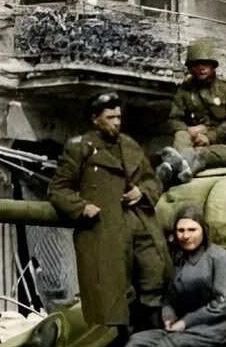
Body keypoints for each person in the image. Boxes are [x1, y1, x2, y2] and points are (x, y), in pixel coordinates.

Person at [60, 204, 226, 347]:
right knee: (141, 339)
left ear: (203, 231)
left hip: (217, 329)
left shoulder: (221, 259)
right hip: (185, 326)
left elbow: (224, 304)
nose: (185, 236)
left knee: (169, 346)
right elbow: (170, 298)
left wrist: (186, 322)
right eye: (181, 230)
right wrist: (169, 316)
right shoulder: (180, 260)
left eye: (192, 230)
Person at [48, 91, 171, 330]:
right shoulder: (80, 147)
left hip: (141, 223)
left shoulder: (130, 145)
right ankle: (121, 343)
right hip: (105, 226)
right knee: (114, 291)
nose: (116, 122)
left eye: (118, 117)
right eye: (110, 117)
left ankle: (154, 336)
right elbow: (58, 189)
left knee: (154, 277)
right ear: (95, 119)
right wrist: (82, 206)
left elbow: (153, 181)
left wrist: (141, 192)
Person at [158, 38, 226, 185]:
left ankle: (173, 167)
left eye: (206, 64)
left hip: (223, 145)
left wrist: (210, 136)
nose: (201, 68)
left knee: (203, 154)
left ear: (213, 67)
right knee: (181, 135)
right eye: (196, 64)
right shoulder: (185, 91)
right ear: (191, 68)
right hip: (192, 141)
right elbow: (174, 119)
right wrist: (190, 130)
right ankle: (179, 165)